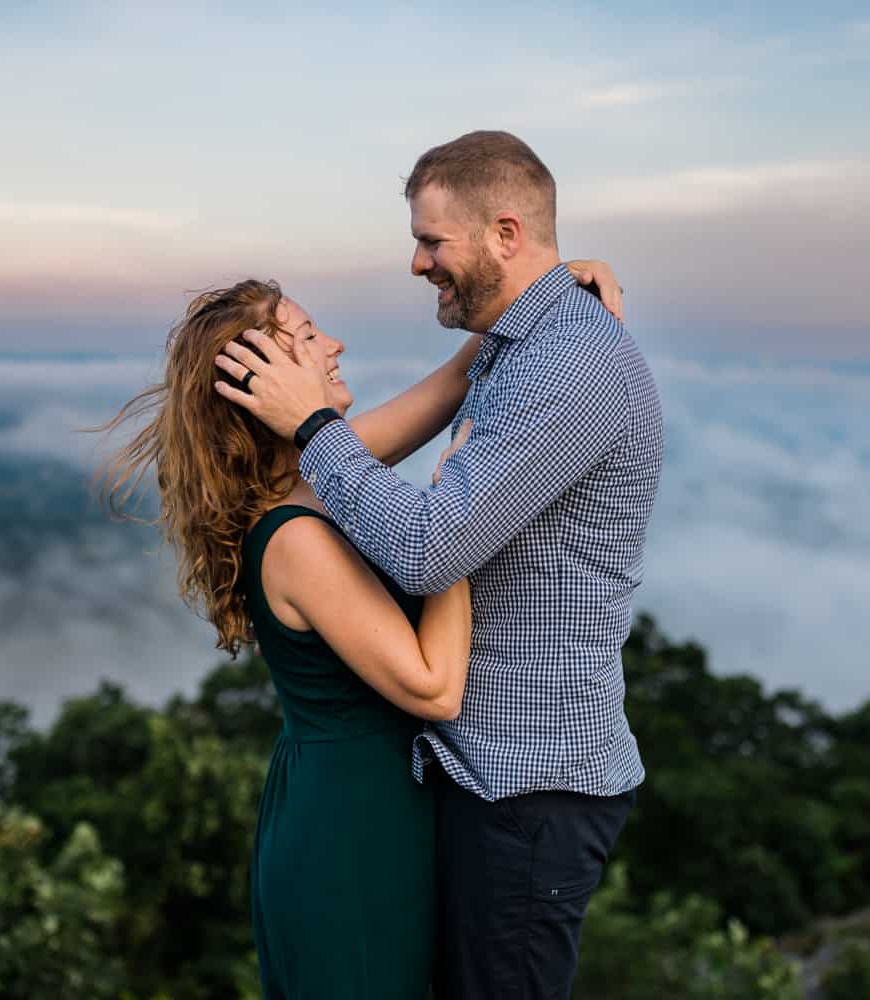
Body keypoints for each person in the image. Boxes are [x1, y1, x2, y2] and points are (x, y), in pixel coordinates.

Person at [214, 130, 664, 1000]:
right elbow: (369, 465)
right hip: (474, 779)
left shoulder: (571, 364)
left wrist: (315, 424)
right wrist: (552, 280)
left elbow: (429, 548)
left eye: (431, 241)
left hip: (532, 788)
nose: (417, 263)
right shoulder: (519, 345)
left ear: (503, 233)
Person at [99, 259, 624, 997]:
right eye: (310, 336)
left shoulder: (307, 474)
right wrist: (459, 523)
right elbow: (435, 688)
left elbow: (448, 386)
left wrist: (542, 290)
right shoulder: (294, 536)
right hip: (351, 832)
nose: (336, 345)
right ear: (266, 382)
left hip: (371, 808)